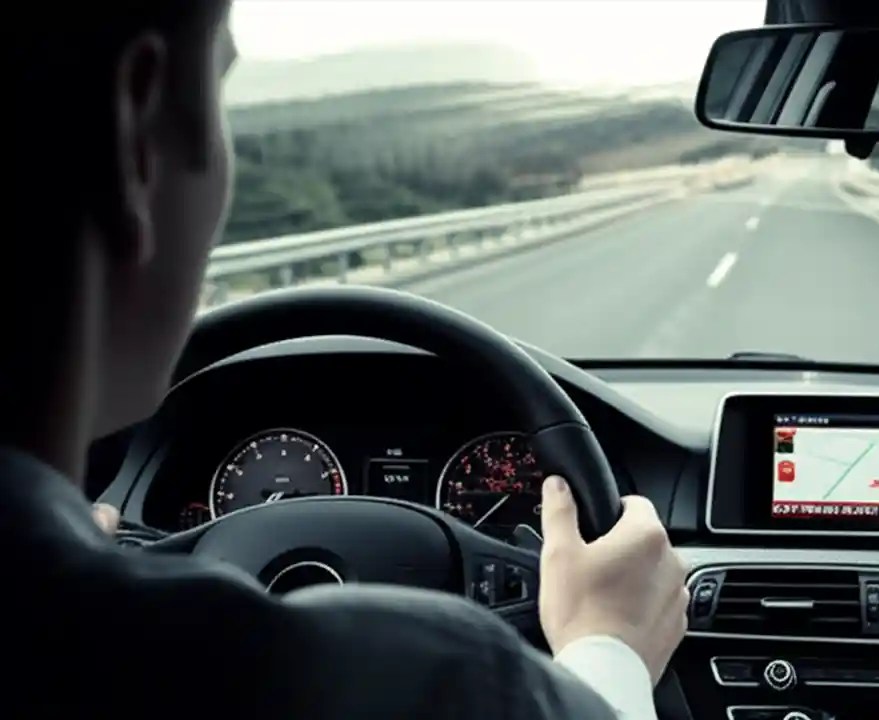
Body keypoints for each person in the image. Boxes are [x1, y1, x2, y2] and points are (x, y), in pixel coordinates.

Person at [1, 1, 688, 717]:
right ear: (136, 138)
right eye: (218, 92)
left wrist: (75, 548)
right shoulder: (450, 685)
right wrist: (610, 648)